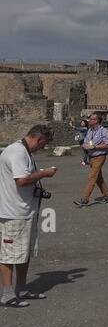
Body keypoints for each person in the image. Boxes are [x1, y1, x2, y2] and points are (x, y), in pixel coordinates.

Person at [0, 125, 56, 307]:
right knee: (8, 255)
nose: (42, 148)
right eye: (44, 144)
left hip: (25, 212)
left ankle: (21, 288)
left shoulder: (23, 151)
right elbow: (22, 180)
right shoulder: (17, 152)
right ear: (38, 139)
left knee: (23, 253)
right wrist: (44, 174)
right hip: (13, 213)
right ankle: (7, 294)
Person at [74, 113, 108, 208]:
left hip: (100, 156)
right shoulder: (90, 131)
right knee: (98, 178)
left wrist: (95, 146)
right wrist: (85, 145)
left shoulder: (104, 132)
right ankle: (107, 196)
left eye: (91, 119)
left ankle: (85, 199)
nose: (89, 121)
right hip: (91, 157)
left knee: (92, 177)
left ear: (96, 121)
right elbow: (86, 142)